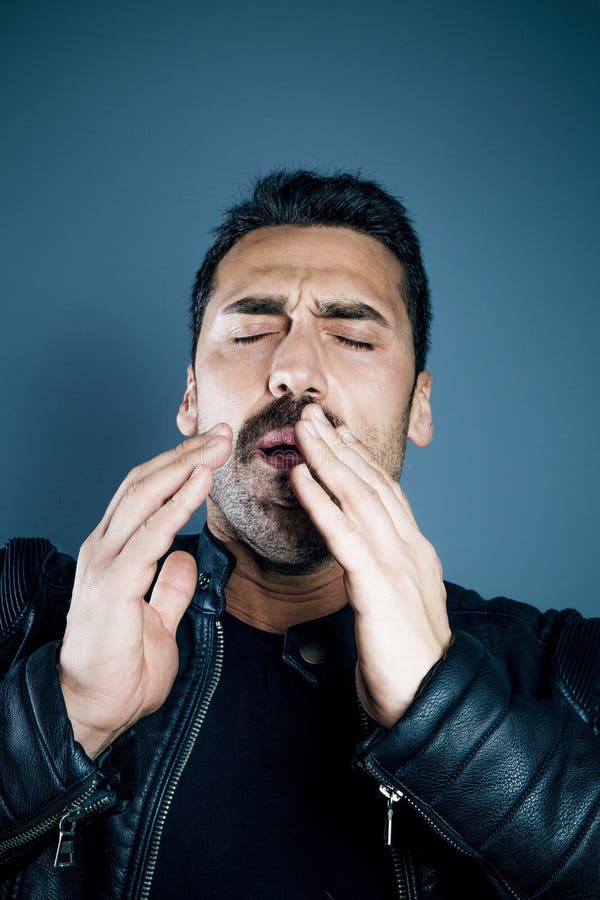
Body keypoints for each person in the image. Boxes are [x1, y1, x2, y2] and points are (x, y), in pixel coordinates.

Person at [0, 169, 598, 900]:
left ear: (419, 407)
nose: (293, 372)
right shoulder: (20, 611)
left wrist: (443, 711)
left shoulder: (561, 670)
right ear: (190, 396)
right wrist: (68, 714)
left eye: (351, 337)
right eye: (251, 331)